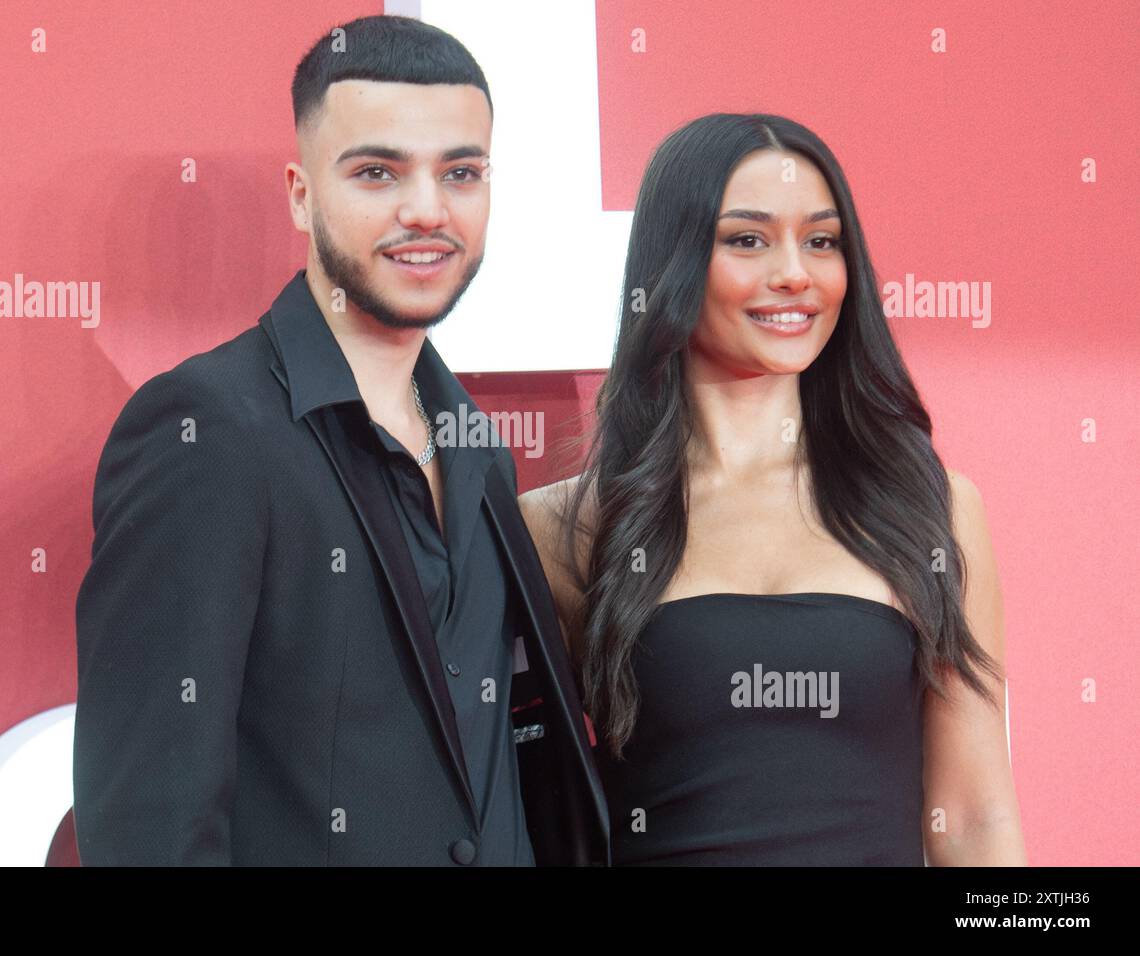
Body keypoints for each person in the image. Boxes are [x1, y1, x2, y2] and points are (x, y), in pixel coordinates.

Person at [73, 13, 608, 866]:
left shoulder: (479, 448)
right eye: (376, 172)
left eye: (461, 172)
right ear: (301, 193)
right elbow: (151, 820)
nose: (427, 210)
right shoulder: (204, 432)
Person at [520, 113, 1026, 866]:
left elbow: (977, 816)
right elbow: (529, 803)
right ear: (675, 263)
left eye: (821, 241)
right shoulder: (567, 524)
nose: (795, 272)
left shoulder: (933, 506)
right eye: (747, 239)